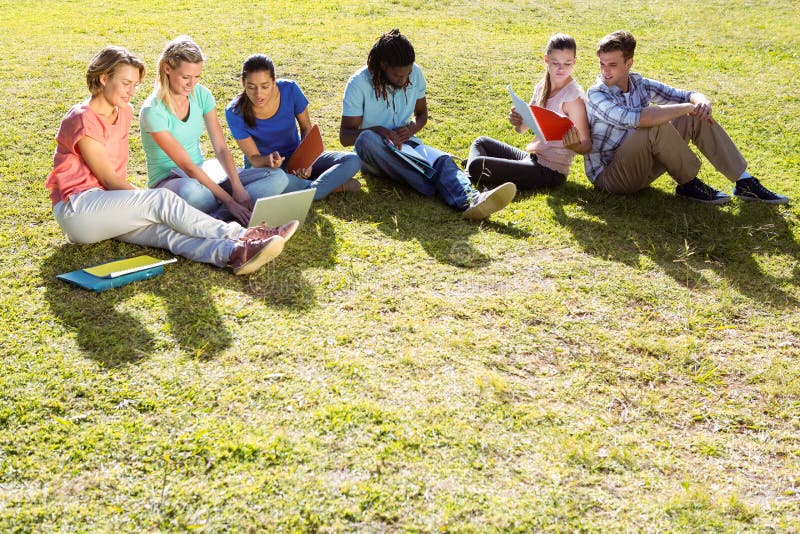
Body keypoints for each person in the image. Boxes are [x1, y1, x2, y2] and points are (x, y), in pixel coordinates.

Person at [46, 46, 296, 276]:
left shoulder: (123, 111)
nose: (131, 92)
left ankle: (233, 253)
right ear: (103, 79)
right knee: (161, 201)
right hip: (78, 209)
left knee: (167, 233)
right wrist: (146, 200)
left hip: (107, 209)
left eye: (135, 85)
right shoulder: (82, 118)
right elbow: (109, 179)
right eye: (125, 83)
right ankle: (245, 234)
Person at [584, 30, 788, 204]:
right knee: (655, 125)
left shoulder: (639, 83)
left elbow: (686, 95)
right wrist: (687, 107)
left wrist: (700, 102)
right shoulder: (597, 93)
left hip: (642, 168)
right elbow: (640, 119)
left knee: (694, 115)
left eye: (612, 65)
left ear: (629, 63)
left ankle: (744, 182)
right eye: (602, 64)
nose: (605, 71)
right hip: (611, 178)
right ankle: (689, 183)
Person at [339, 29, 516, 220]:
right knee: (366, 138)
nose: (404, 80)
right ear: (383, 66)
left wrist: (410, 129)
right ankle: (433, 183)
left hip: (406, 147)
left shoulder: (415, 74)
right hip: (375, 153)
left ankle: (472, 200)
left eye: (408, 74)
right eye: (397, 75)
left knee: (442, 159)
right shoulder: (359, 83)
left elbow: (421, 115)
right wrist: (379, 131)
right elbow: (345, 136)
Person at [140, 35, 291, 225]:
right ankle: (228, 209)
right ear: (167, 68)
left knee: (277, 177)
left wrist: (237, 187)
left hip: (205, 173)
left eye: (197, 77)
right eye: (185, 77)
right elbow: (187, 166)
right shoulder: (153, 111)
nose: (192, 84)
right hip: (171, 181)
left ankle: (218, 215)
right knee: (193, 192)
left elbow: (220, 148)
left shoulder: (202, 95)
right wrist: (229, 200)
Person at [225, 54, 361, 200]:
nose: (258, 93)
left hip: (297, 158)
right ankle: (326, 187)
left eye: (265, 86)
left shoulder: (290, 89)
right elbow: (254, 158)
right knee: (279, 179)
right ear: (243, 82)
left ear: (274, 81)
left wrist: (307, 162)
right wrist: (268, 160)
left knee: (353, 160)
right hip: (267, 169)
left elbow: (306, 128)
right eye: (251, 87)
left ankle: (308, 187)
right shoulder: (234, 111)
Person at [466, 33, 591, 190]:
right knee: (481, 142)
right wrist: (518, 120)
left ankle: (469, 173)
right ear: (546, 60)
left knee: (477, 165)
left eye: (567, 63)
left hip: (550, 171)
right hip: (532, 159)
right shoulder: (542, 86)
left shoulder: (573, 97)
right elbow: (522, 128)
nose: (561, 69)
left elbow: (587, 144)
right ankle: (473, 171)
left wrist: (575, 146)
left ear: (574, 62)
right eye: (555, 63)